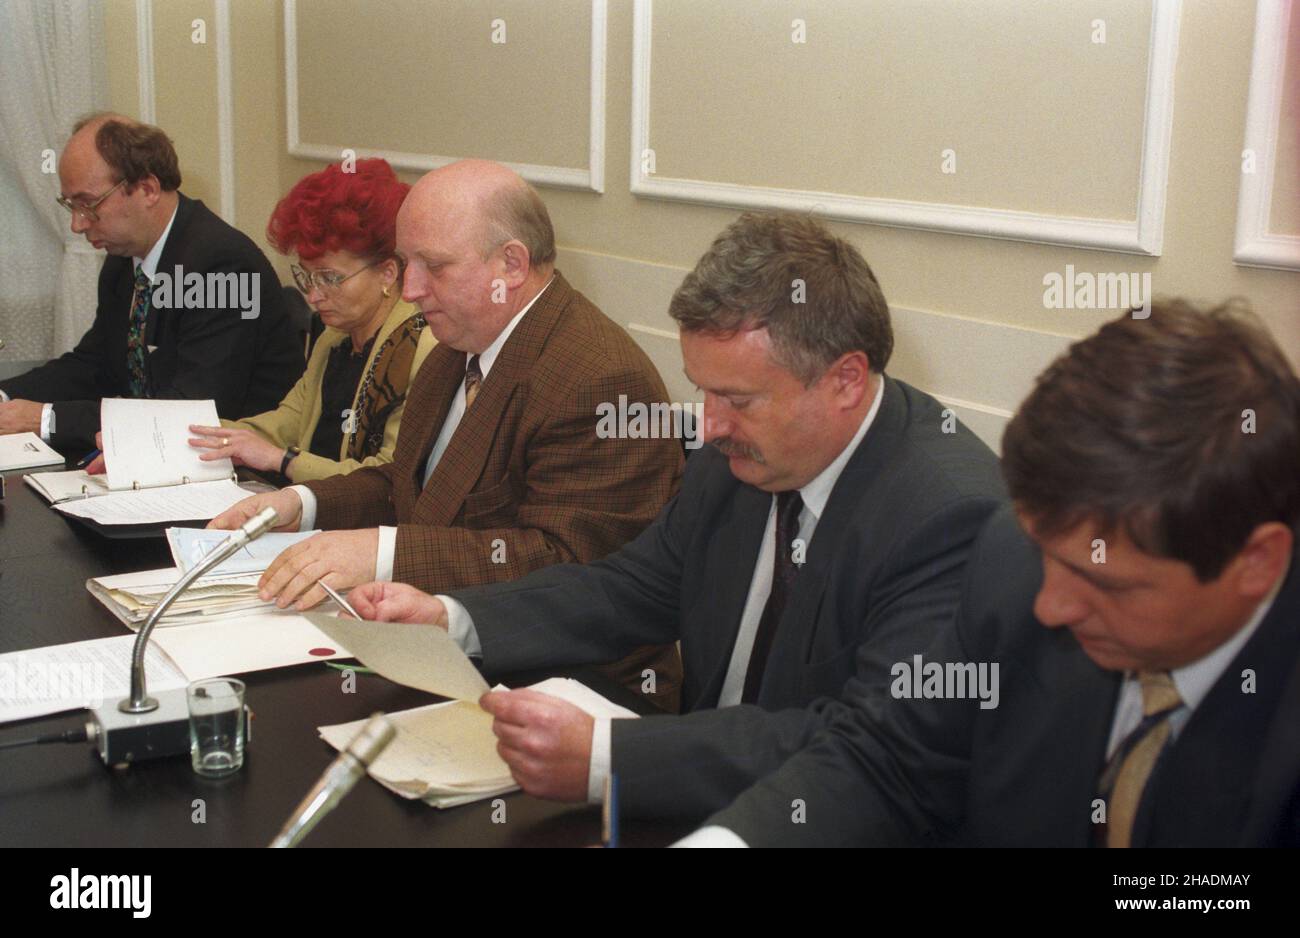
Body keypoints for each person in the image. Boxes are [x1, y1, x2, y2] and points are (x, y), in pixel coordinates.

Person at [345, 211, 1006, 820]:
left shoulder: (947, 517)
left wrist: (611, 759)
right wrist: (454, 619)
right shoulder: (741, 455)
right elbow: (631, 589)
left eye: (736, 399)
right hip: (698, 804)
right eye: (702, 390)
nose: (708, 425)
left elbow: (868, 743)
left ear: (845, 380)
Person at [685, 298, 1300, 847]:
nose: (1051, 607)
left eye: (1106, 583)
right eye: (1045, 554)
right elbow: (888, 760)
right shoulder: (1012, 562)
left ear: (1256, 562)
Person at [210, 159, 684, 708]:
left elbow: (565, 566)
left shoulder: (599, 378)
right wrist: (301, 502)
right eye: (406, 263)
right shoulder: (458, 344)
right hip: (443, 648)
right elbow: (408, 484)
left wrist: (382, 552)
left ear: (511, 264)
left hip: (570, 687)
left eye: (433, 266)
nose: (409, 289)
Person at [0, 113, 303, 450]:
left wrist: (44, 419)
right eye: (70, 205)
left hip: (235, 471)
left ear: (147, 189)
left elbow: (191, 412)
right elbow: (95, 363)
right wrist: (5, 396)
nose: (77, 224)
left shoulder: (222, 264)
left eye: (88, 204)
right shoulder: (124, 257)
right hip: (152, 455)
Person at [186, 160, 435, 482]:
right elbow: (287, 423)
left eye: (330, 278)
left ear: (388, 272)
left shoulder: (422, 349)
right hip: (313, 505)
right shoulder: (335, 338)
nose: (313, 296)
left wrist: (283, 461)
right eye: (307, 277)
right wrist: (180, 438)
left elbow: (389, 478)